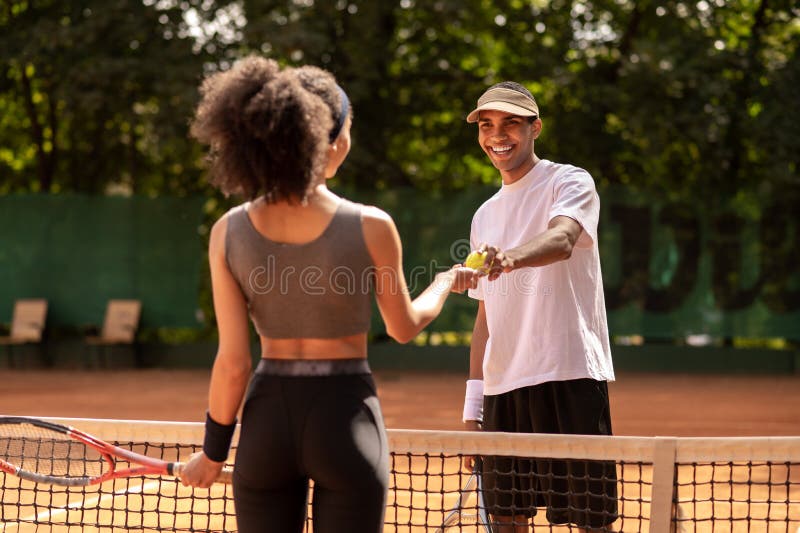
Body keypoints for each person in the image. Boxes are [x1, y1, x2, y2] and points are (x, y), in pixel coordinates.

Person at [178, 56, 478, 533]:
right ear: (333, 142)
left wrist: (213, 454)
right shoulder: (373, 226)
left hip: (267, 424)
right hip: (346, 417)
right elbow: (402, 327)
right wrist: (443, 281)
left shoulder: (227, 231)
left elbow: (233, 363)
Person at [461, 81, 618, 532]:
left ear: (536, 128)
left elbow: (563, 239)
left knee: (591, 521)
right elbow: (485, 321)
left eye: (511, 122)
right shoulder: (483, 215)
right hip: (503, 390)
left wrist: (507, 259)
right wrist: (473, 410)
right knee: (507, 521)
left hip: (569, 373)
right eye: (487, 125)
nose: (497, 135)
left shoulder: (569, 181)